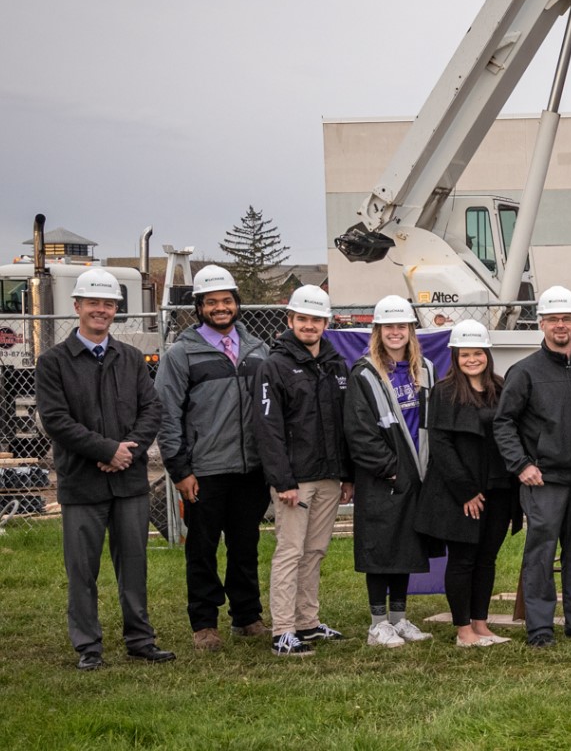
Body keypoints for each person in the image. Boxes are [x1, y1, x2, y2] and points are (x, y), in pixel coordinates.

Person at [35, 267, 173, 670]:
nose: (101, 310)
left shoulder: (129, 358)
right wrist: (107, 449)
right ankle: (88, 645)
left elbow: (152, 409)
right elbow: (57, 420)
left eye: (109, 304)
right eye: (93, 303)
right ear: (77, 306)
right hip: (82, 482)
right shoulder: (54, 362)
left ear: (117, 309)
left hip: (128, 482)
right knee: (83, 570)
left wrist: (127, 452)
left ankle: (140, 639)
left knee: (134, 565)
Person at [154, 264, 272, 651]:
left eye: (226, 301)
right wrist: (179, 469)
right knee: (201, 550)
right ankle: (204, 623)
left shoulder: (258, 349)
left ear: (237, 304)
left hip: (251, 470)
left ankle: (247, 616)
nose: (220, 308)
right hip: (203, 471)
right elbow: (166, 414)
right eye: (211, 302)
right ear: (199, 307)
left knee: (245, 546)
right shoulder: (181, 354)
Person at [495, 285, 571, 647]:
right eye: (554, 319)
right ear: (541, 323)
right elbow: (504, 422)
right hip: (544, 481)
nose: (561, 325)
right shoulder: (524, 372)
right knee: (540, 554)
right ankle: (540, 627)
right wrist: (521, 464)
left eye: (567, 319)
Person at [252, 284, 354, 657]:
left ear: (326, 323)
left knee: (315, 551)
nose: (309, 325)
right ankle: (282, 630)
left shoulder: (335, 364)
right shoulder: (273, 366)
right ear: (290, 319)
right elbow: (267, 428)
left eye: (316, 319)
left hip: (329, 476)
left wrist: (347, 475)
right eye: (303, 318)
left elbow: (344, 423)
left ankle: (308, 623)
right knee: (290, 551)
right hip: (295, 480)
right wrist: (283, 480)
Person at [416, 319, 520, 647]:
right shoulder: (444, 392)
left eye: (478, 353)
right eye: (465, 354)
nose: (472, 359)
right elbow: (442, 445)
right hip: (462, 493)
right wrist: (465, 491)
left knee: (487, 558)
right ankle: (463, 630)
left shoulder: (500, 388)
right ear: (455, 357)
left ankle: (482, 624)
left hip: (499, 489)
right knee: (463, 559)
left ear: (487, 354)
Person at [345, 295, 435, 648]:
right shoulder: (364, 373)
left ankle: (398, 619)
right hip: (384, 476)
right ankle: (377, 624)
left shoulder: (423, 368)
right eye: (388, 327)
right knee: (380, 548)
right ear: (377, 331)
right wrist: (392, 470)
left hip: (417, 473)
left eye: (401, 326)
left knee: (405, 547)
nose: (395, 333)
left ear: (411, 330)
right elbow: (359, 431)